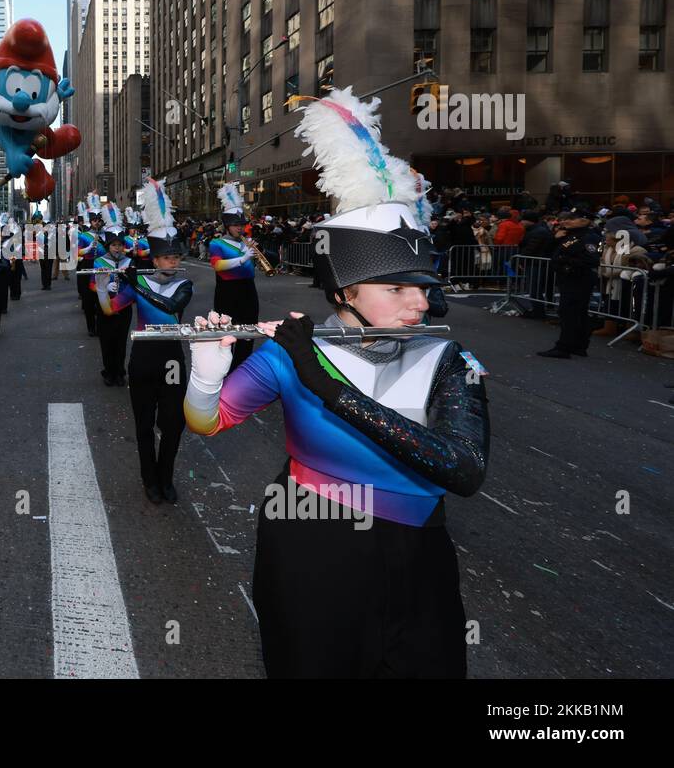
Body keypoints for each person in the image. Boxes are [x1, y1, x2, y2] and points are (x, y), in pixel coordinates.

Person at [184, 89, 489, 678]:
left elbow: (464, 469)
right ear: (345, 291)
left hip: (416, 550)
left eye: (423, 288)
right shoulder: (289, 353)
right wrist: (205, 375)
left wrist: (329, 387)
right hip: (309, 543)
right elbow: (208, 421)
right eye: (397, 289)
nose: (419, 304)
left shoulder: (450, 359)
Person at [122, 179, 193, 504]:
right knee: (143, 424)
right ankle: (149, 479)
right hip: (142, 358)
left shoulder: (184, 283)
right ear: (155, 259)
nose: (173, 262)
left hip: (171, 360)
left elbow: (172, 306)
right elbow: (112, 309)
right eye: (167, 258)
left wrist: (137, 285)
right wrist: (111, 285)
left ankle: (166, 478)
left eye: (175, 257)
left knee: (174, 423)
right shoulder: (136, 280)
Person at [209, 182, 260, 371]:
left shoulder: (246, 243)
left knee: (249, 333)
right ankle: (225, 371)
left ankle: (241, 369)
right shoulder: (217, 243)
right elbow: (217, 265)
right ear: (227, 226)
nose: (240, 228)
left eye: (242, 225)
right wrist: (243, 258)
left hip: (248, 290)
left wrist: (256, 256)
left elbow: (251, 267)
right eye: (236, 225)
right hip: (227, 292)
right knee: (227, 334)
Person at [538, 209, 602, 358]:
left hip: (578, 278)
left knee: (570, 312)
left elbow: (592, 259)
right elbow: (548, 252)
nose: (566, 221)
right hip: (569, 278)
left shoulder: (590, 237)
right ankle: (577, 346)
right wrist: (554, 239)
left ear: (585, 220)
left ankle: (564, 347)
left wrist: (564, 263)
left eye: (572, 219)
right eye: (566, 218)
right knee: (574, 312)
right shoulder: (570, 235)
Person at [92, 203, 135, 386]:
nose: (117, 248)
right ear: (108, 246)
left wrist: (126, 284)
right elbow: (92, 285)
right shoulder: (99, 261)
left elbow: (135, 286)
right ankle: (108, 371)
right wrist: (105, 286)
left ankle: (119, 372)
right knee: (107, 341)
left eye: (120, 245)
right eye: (114, 245)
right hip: (104, 307)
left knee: (120, 341)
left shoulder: (130, 261)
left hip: (123, 307)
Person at [74, 198, 106, 336]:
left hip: (103, 266)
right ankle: (91, 327)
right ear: (91, 221)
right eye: (94, 220)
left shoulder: (107, 235)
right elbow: (77, 252)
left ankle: (100, 324)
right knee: (88, 299)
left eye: (99, 220)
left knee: (102, 297)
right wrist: (88, 248)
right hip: (87, 266)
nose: (97, 223)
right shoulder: (84, 235)